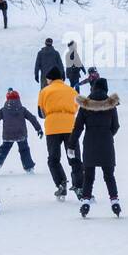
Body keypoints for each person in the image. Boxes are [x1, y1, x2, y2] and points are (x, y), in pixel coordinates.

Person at [71, 76, 121, 217]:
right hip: (106, 144)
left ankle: (85, 203)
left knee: (89, 177)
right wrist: (107, 135)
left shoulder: (85, 105)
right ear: (105, 88)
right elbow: (115, 126)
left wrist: (71, 144)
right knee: (109, 176)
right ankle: (115, 202)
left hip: (90, 143)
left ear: (93, 88)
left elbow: (78, 127)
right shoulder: (111, 105)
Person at [37, 67, 82, 201]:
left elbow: (41, 113)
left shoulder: (44, 91)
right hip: (70, 128)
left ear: (50, 78)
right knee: (74, 158)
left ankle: (61, 184)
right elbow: (76, 107)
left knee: (53, 159)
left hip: (52, 129)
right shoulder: (72, 91)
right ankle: (79, 186)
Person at [0, 89, 41, 174]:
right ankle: (29, 167)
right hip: (21, 134)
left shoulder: (4, 110)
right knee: (24, 150)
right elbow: (32, 118)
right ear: (18, 99)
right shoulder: (22, 109)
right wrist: (38, 129)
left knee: (3, 151)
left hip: (8, 135)